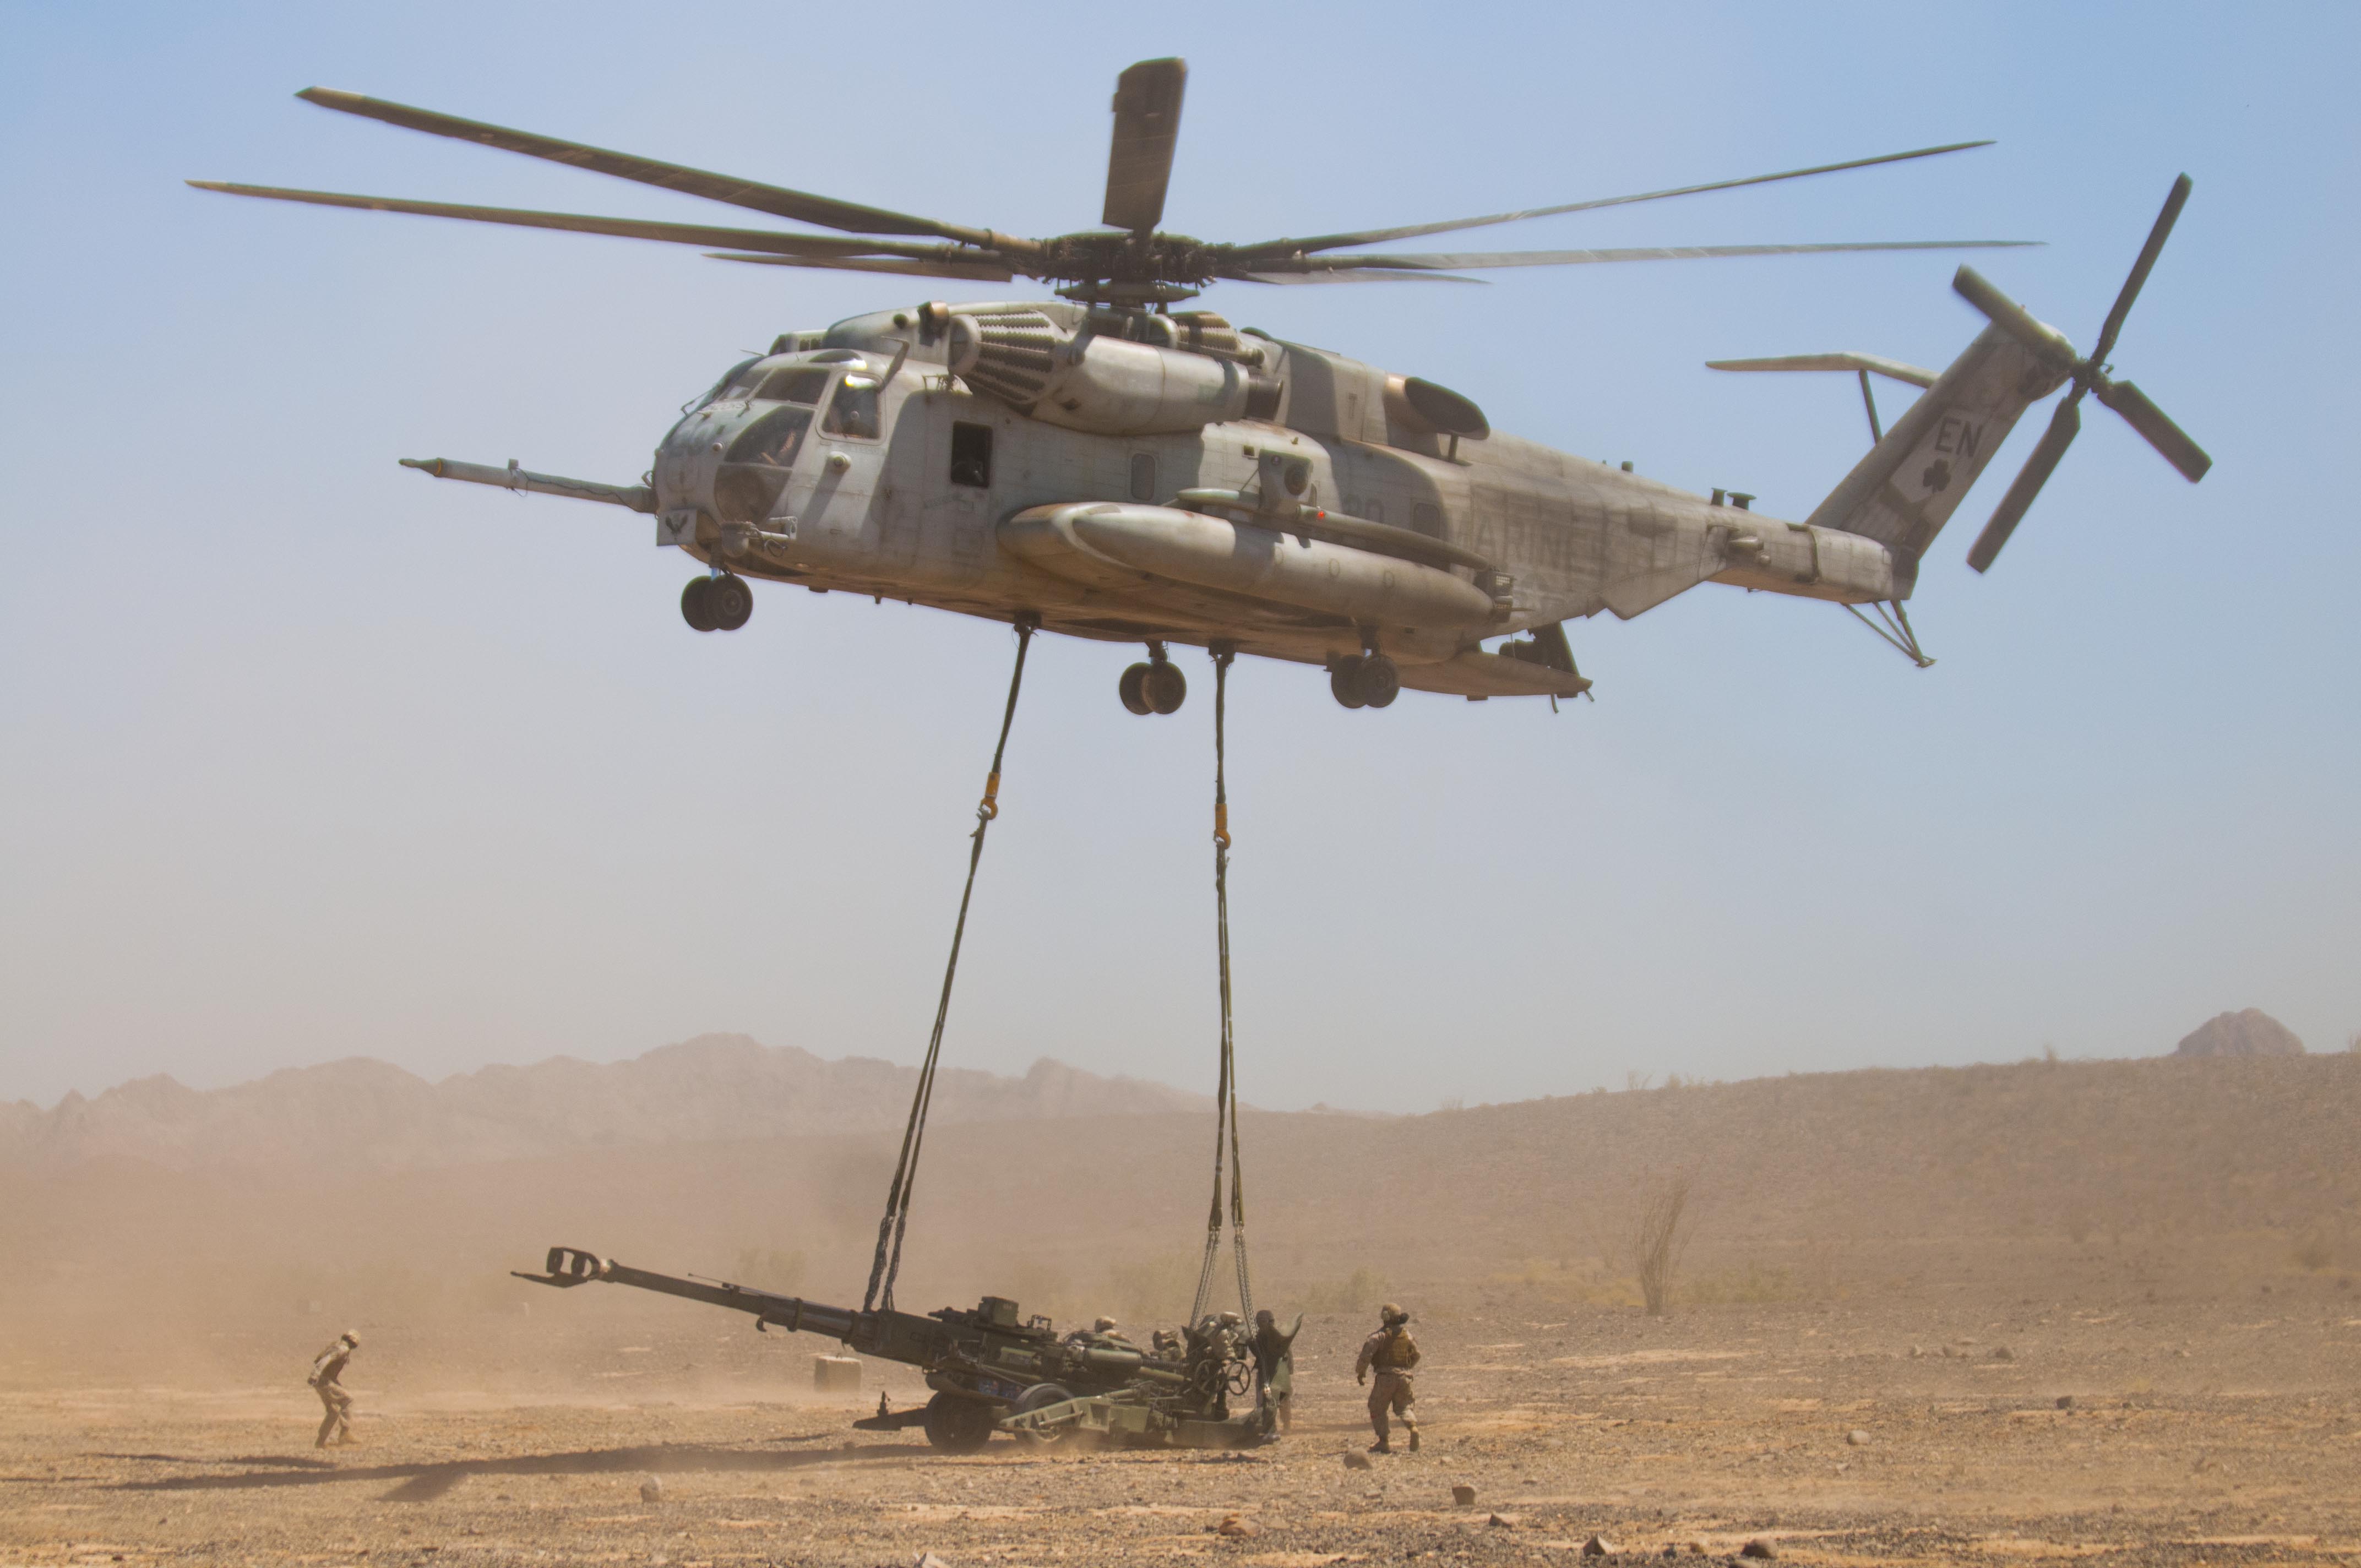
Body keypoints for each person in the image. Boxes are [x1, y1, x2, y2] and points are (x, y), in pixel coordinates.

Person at [1354, 1303, 1420, 1452]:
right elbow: (1417, 1355)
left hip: (1386, 1378)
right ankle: (1413, 1428)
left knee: (1377, 1406)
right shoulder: (1407, 1336)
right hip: (1405, 1378)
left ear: (1385, 1317)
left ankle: (1384, 1441)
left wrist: (1361, 1373)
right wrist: (1406, 1369)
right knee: (1404, 1407)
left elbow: (1366, 1356)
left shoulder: (1379, 1337)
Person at [1250, 1308, 1302, 1432]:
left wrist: (1289, 1370)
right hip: (1270, 1371)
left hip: (1277, 1371)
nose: (1260, 1324)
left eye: (1262, 1321)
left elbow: (1287, 1354)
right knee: (1269, 1399)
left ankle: (1284, 1425)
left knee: (1281, 1399)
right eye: (1259, 1321)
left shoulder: (1276, 1337)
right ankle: (1271, 1425)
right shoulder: (1263, 1337)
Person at [308, 1330, 361, 1448]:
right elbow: (325, 1360)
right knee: (348, 1400)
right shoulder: (342, 1349)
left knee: (333, 1411)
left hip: (322, 1382)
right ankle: (345, 1433)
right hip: (324, 1381)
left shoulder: (336, 1346)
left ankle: (321, 1441)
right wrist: (315, 1375)